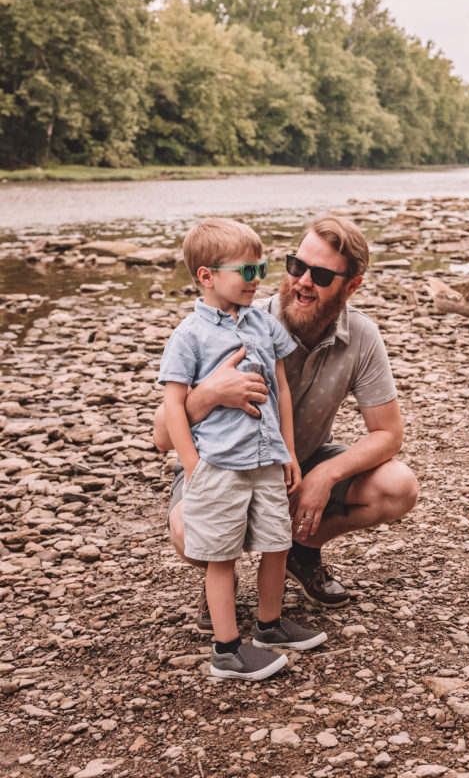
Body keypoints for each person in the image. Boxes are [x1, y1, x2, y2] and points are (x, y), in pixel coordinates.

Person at [154, 213, 418, 619]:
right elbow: (162, 437)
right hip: (219, 465)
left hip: (296, 463)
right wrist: (207, 395)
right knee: (189, 533)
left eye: (322, 275)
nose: (303, 281)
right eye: (298, 266)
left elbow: (388, 434)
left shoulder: (363, 337)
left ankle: (299, 553)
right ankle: (220, 576)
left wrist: (324, 475)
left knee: (398, 486)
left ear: (352, 286)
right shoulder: (235, 316)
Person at [158, 217, 326, 682]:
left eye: (262, 269)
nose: (258, 281)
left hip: (267, 459)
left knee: (276, 542)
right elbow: (172, 406)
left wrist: (288, 452)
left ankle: (268, 627)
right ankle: (227, 649)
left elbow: (281, 391)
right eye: (246, 272)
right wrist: (193, 466)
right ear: (206, 276)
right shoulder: (189, 335)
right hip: (220, 465)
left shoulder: (263, 323)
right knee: (222, 555)